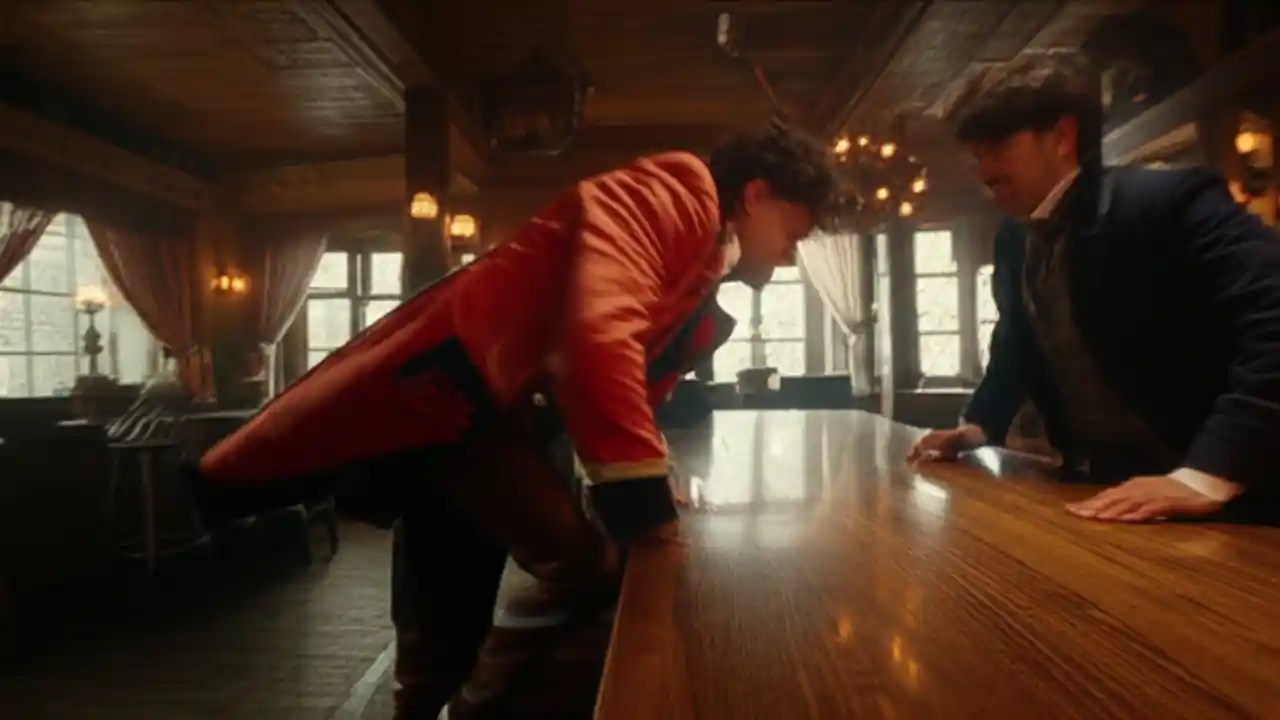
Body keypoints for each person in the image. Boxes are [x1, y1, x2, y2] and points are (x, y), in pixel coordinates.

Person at [196, 126, 840, 718]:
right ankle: (476, 709)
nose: (789, 255)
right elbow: (599, 337)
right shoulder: (676, 190)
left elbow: (638, 371)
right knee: (577, 567)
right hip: (460, 408)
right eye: (795, 230)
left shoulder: (702, 253)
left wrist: (651, 470)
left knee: (444, 608)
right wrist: (645, 507)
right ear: (755, 195)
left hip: (490, 419)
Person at [908, 53, 1280, 523]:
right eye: (978, 154)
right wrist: (976, 427)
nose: (984, 171)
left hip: (1232, 506)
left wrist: (1204, 475)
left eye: (998, 146)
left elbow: (1273, 319)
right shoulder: (1014, 236)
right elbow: (1019, 340)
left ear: (1062, 136)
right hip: (1102, 491)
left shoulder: (1169, 201)